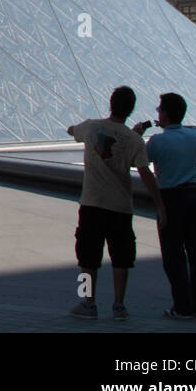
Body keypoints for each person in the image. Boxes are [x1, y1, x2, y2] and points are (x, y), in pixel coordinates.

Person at [67, 86, 166, 321]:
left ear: (110, 104)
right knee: (122, 257)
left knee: (87, 257)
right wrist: (160, 205)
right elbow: (145, 173)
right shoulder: (134, 140)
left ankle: (87, 303)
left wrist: (76, 130)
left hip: (92, 203)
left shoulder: (91, 127)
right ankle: (119, 305)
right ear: (131, 109)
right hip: (121, 206)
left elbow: (71, 130)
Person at [134, 92, 196, 319]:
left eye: (159, 110)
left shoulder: (157, 141)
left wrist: (138, 135)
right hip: (194, 196)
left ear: (165, 115)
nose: (157, 113)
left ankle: (182, 306)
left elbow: (138, 161)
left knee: (173, 254)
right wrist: (175, 123)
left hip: (170, 198)